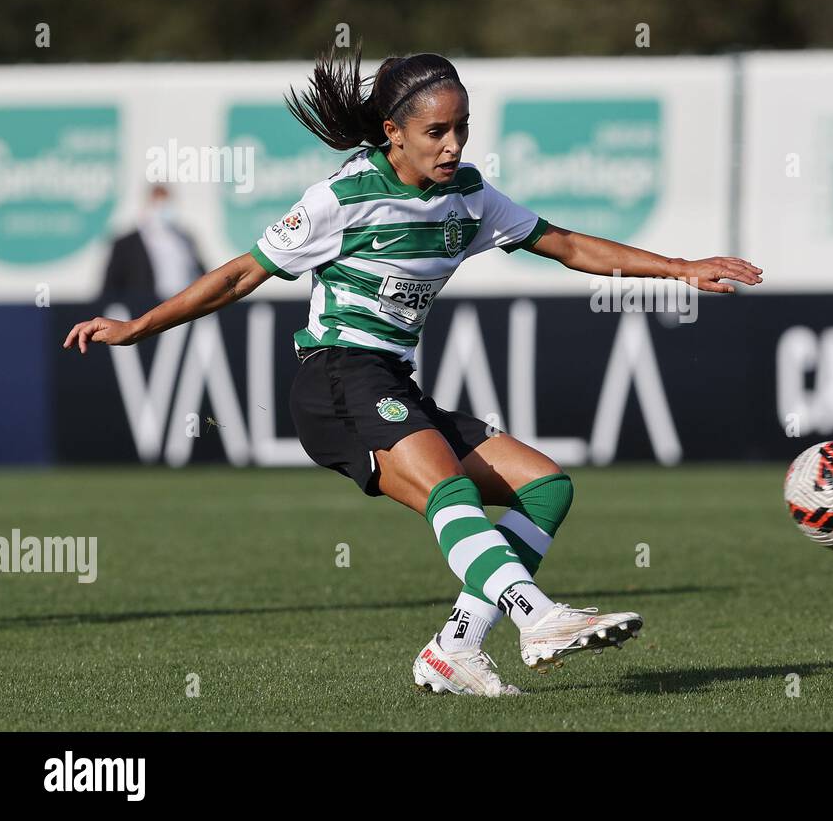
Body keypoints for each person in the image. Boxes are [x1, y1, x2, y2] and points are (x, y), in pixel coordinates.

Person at [64, 47, 763, 697]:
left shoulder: (471, 196)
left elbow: (571, 245)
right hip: (335, 380)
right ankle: (538, 616)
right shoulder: (340, 199)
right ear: (394, 132)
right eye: (437, 131)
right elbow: (240, 274)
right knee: (449, 488)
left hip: (393, 382)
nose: (452, 144)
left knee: (545, 487)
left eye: (461, 127)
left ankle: (456, 647)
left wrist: (680, 267)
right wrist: (137, 327)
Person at [100, 183, 205, 299]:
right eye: (158, 204)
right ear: (148, 205)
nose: (163, 209)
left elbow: (201, 274)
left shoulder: (185, 239)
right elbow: (112, 283)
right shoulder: (126, 244)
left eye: (166, 204)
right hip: (145, 308)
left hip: (185, 305)